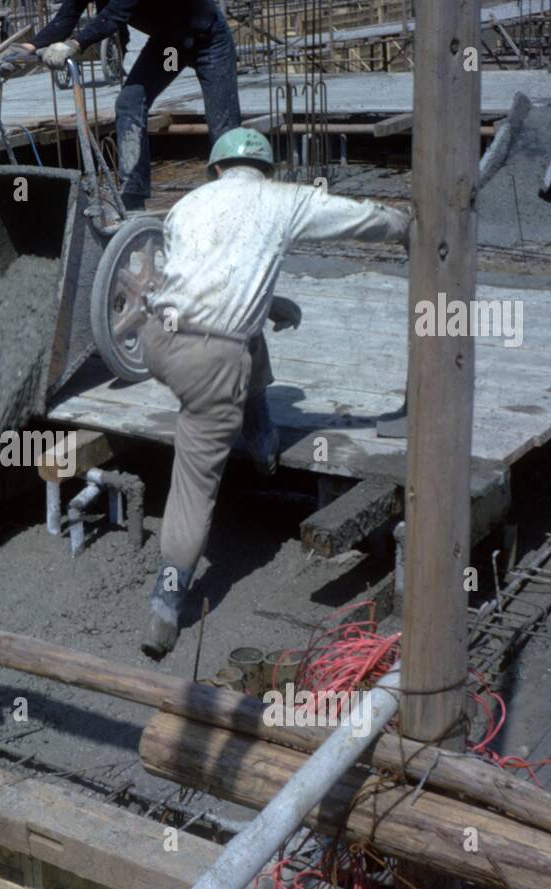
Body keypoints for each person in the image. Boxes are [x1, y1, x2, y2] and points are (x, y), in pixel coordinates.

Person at [139, 128, 410, 658]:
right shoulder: (283, 200)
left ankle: (259, 431)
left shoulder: (187, 205)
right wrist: (404, 226)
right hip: (213, 363)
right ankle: (165, 603)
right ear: (267, 170)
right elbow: (358, 218)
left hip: (155, 342)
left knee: (242, 341)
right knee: (195, 478)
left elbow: (197, 282)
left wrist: (264, 306)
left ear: (218, 169)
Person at [0, 0, 240, 213]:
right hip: (169, 50)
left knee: (223, 127)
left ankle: (237, 196)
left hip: (208, 41)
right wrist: (28, 48)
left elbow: (114, 16)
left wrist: (74, 44)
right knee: (130, 103)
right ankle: (133, 197)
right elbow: (66, 18)